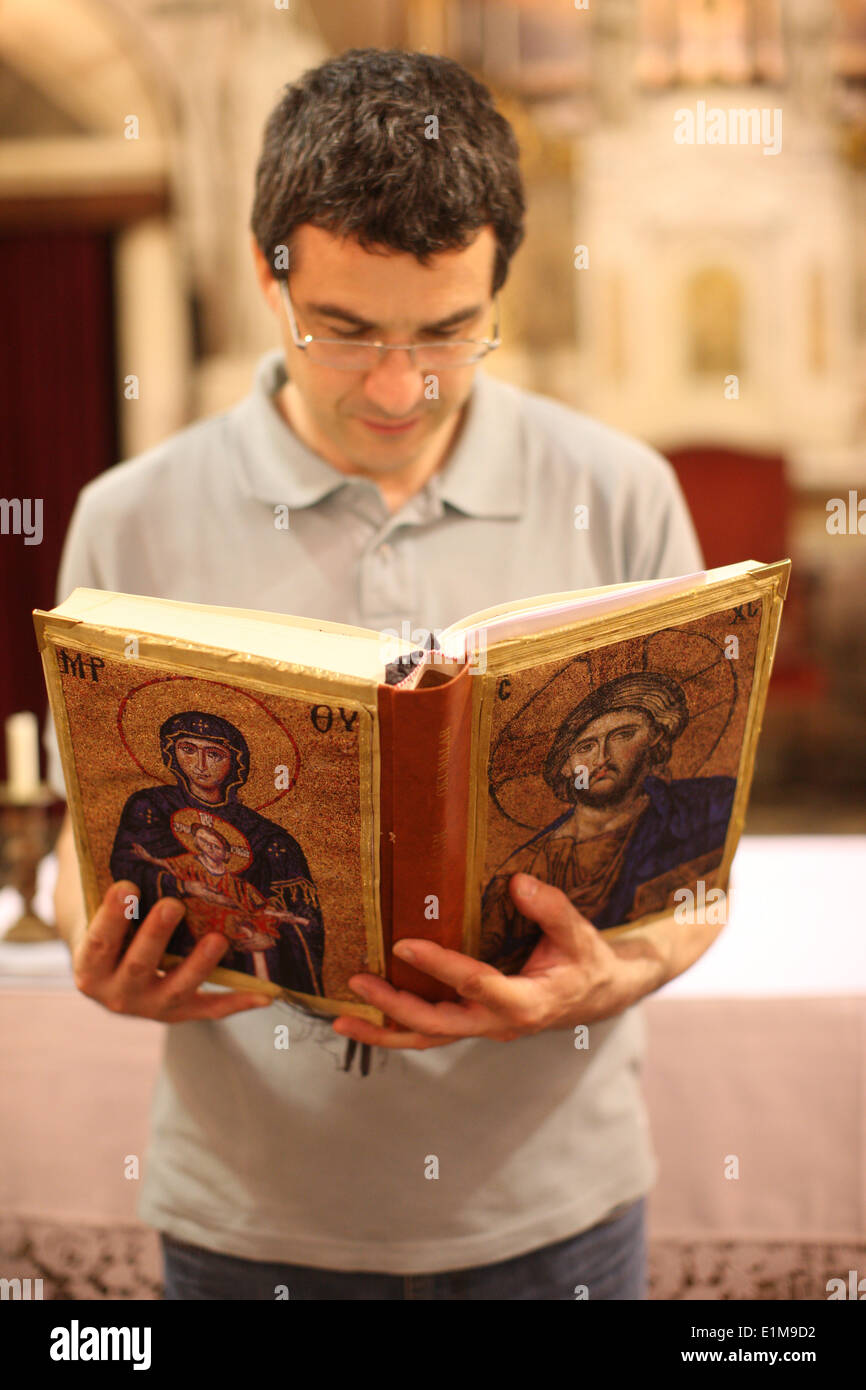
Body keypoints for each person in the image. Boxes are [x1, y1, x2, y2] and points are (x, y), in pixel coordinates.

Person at [47, 49, 715, 1300]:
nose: (398, 387)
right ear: (267, 273)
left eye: (448, 333)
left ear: (498, 284)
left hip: (548, 1201)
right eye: (344, 333)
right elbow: (96, 858)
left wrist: (611, 973)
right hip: (254, 1216)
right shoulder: (126, 521)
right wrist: (111, 964)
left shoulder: (620, 494)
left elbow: (690, 878)